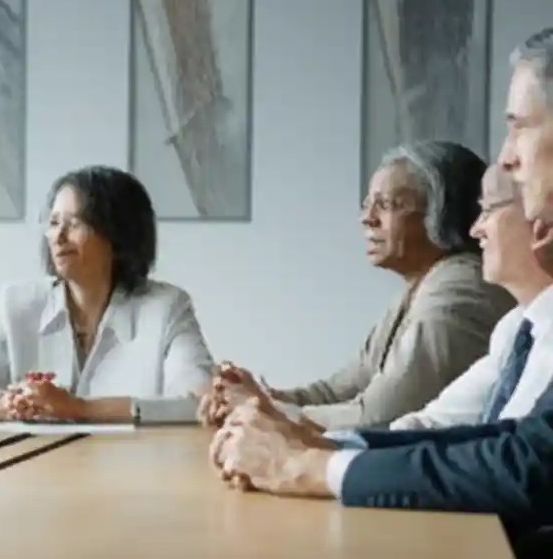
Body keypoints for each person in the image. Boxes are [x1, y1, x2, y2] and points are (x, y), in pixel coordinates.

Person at [209, 25, 553, 559]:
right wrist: (290, 431)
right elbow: (463, 433)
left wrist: (303, 462)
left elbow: (520, 462)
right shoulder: (504, 319)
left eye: (517, 126)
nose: (505, 154)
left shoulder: (457, 289)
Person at [201, 141, 513, 430]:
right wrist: (257, 397)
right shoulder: (421, 284)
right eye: (368, 203)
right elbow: (339, 390)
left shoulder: (459, 290)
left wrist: (261, 409)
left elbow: (378, 418)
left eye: (387, 204)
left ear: (442, 215)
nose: (367, 218)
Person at [0, 165, 214, 423]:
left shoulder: (166, 308)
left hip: (133, 466)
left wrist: (81, 409)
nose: (58, 237)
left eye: (75, 224)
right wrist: (14, 404)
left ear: (118, 234)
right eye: (53, 222)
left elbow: (200, 402)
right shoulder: (18, 305)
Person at [385, 166, 553, 430]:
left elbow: (515, 459)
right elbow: (433, 423)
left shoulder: (459, 285)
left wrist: (336, 461)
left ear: (542, 223)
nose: (476, 230)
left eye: (487, 210)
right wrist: (337, 449)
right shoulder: (514, 327)